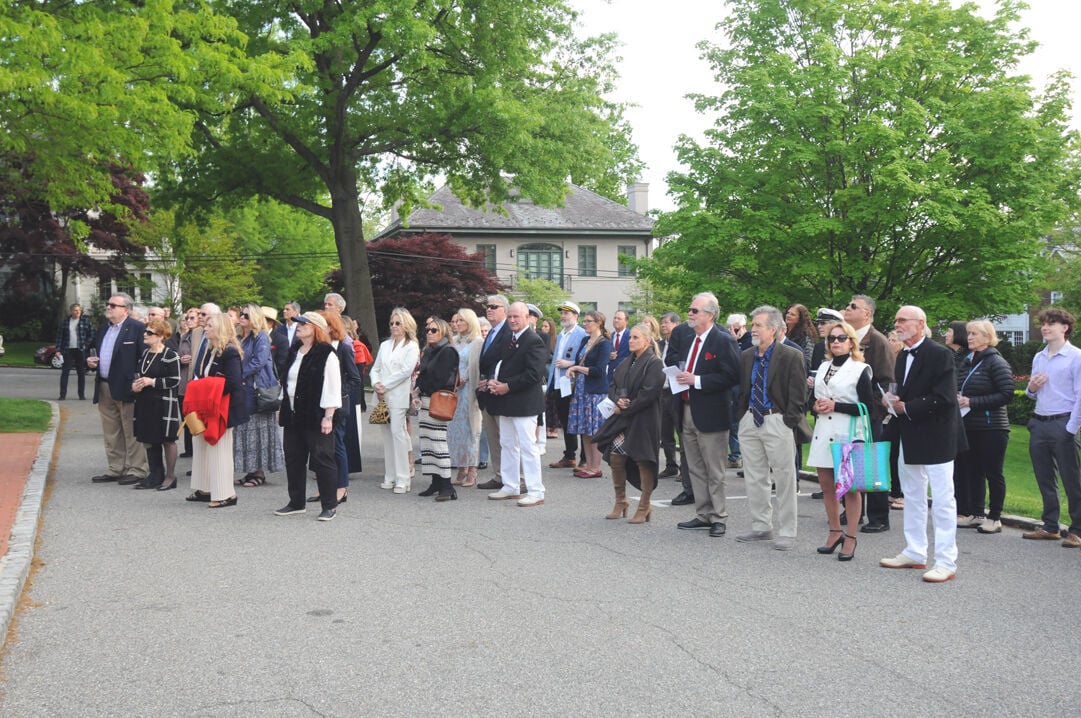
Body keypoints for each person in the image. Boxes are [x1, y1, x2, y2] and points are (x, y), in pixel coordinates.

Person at [879, 306, 963, 582]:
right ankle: (915, 551)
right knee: (912, 494)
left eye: (903, 320)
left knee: (942, 499)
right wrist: (891, 402)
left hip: (937, 434)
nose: (898, 324)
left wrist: (906, 407)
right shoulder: (902, 356)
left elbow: (945, 397)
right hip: (910, 433)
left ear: (920, 324)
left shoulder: (941, 354)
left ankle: (946, 561)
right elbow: (901, 392)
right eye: (897, 320)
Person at [736, 306, 812, 551]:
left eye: (758, 325)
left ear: (774, 329)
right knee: (755, 476)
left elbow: (798, 394)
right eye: (753, 324)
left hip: (777, 420)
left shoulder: (791, 355)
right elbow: (743, 389)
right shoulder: (747, 355)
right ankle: (761, 526)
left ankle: (787, 531)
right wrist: (741, 417)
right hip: (750, 419)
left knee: (785, 477)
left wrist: (788, 421)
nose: (753, 329)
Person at [674, 292, 741, 538]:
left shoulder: (723, 340)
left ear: (710, 315)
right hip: (687, 409)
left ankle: (718, 516)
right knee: (695, 467)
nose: (689, 314)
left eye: (694, 311)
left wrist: (697, 380)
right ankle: (703, 513)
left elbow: (732, 375)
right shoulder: (690, 338)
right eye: (690, 310)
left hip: (711, 413)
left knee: (715, 470)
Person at [807, 320, 874, 560]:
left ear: (851, 342)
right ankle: (834, 531)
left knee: (849, 489)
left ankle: (852, 537)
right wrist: (816, 405)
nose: (836, 342)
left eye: (841, 338)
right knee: (827, 487)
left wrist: (836, 405)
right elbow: (815, 399)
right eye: (832, 338)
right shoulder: (823, 366)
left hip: (848, 432)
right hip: (824, 431)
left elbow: (869, 406)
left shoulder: (859, 369)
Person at [593, 324, 665, 523]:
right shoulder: (626, 362)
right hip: (623, 418)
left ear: (647, 340)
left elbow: (649, 393)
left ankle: (644, 506)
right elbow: (614, 386)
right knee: (616, 457)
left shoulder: (654, 363)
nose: (630, 341)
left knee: (643, 460)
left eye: (635, 337)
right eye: (630, 337)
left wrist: (626, 406)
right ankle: (621, 501)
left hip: (644, 419)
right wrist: (618, 400)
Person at [274, 312, 341, 521]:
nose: (298, 326)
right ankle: (296, 502)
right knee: (293, 459)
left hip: (316, 415)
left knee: (323, 459)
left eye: (303, 323)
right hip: (293, 414)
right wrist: (281, 407)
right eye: (298, 323)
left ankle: (329, 505)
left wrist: (328, 416)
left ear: (315, 328)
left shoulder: (326, 354)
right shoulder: (295, 351)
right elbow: (287, 382)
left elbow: (332, 387)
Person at [1022, 307, 1081, 547]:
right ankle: (1050, 526)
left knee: (1071, 479)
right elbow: (1030, 393)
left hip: (1062, 422)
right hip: (1039, 422)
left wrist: (1070, 429)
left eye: (1051, 323)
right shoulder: (1039, 356)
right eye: (1044, 323)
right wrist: (1032, 387)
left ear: (1065, 328)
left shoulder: (1076, 357)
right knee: (1044, 477)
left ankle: (1077, 529)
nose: (1045, 327)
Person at [483, 302, 548, 506]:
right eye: (510, 316)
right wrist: (494, 380)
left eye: (516, 317)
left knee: (528, 447)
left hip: (525, 403)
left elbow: (534, 374)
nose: (512, 320)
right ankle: (510, 486)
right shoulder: (510, 339)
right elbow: (503, 366)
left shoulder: (533, 340)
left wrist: (507, 386)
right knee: (507, 444)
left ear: (527, 317)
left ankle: (536, 491)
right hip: (507, 401)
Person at [842, 294, 896, 534]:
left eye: (853, 306)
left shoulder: (877, 341)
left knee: (871, 464)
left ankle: (878, 515)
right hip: (848, 412)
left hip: (869, 413)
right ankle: (853, 509)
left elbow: (886, 381)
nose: (847, 309)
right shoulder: (845, 338)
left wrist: (875, 411)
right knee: (850, 462)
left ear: (867, 314)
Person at [954, 320, 1014, 535]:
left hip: (992, 427)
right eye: (969, 333)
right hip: (969, 425)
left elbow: (1006, 393)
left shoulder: (996, 362)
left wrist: (973, 402)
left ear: (988, 338)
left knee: (993, 472)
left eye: (975, 334)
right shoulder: (968, 361)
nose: (970, 337)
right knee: (973, 471)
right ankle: (976, 513)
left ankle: (995, 517)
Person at [185, 312, 247, 509]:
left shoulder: (230, 352)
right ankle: (205, 488)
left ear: (220, 328)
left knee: (220, 450)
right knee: (202, 447)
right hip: (208, 405)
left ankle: (226, 494)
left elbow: (233, 382)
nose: (205, 328)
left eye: (210, 325)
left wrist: (203, 387)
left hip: (223, 407)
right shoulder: (210, 349)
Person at [87, 293, 149, 485]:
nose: (108, 307)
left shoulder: (137, 328)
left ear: (126, 309)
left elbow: (145, 357)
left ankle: (137, 469)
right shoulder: (104, 328)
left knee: (131, 429)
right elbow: (91, 350)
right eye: (108, 304)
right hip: (104, 386)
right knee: (111, 431)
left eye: (113, 305)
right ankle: (115, 468)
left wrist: (138, 380)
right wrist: (88, 361)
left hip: (127, 387)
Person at [233, 304, 285, 489]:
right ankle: (250, 470)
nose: (242, 317)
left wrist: (238, 375)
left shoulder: (261, 336)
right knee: (246, 429)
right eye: (241, 314)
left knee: (259, 430)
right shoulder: (240, 336)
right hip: (244, 388)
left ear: (254, 318)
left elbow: (259, 361)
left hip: (257, 388)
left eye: (246, 315)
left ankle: (259, 472)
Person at [370, 308, 420, 494]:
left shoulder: (411, 346)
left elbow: (406, 371)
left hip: (398, 396)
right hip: (381, 396)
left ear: (406, 325)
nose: (394, 326)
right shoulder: (384, 345)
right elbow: (375, 368)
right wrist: (376, 384)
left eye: (398, 323)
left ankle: (403, 478)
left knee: (398, 435)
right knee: (387, 436)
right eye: (392, 323)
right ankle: (390, 476)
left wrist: (385, 385)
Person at [131, 318, 181, 490]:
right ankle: (155, 474)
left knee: (168, 440)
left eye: (150, 332)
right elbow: (139, 374)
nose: (145, 334)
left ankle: (170, 476)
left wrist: (152, 382)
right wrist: (136, 385)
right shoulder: (145, 353)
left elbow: (175, 380)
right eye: (146, 331)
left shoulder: (170, 355)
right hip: (146, 402)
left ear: (161, 336)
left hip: (164, 403)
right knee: (150, 439)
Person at [414, 317, 461, 501]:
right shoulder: (428, 351)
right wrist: (417, 389)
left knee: (439, 443)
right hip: (425, 400)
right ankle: (435, 481)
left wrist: (422, 386)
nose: (429, 333)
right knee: (427, 443)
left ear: (443, 332)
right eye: (428, 330)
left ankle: (447, 486)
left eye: (434, 330)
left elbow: (441, 379)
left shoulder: (448, 351)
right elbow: (421, 374)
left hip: (437, 400)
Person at [565, 310, 612, 478]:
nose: (585, 324)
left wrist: (576, 368)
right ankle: (588, 465)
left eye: (588, 321)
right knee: (584, 429)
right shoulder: (585, 340)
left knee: (594, 430)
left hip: (595, 391)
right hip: (581, 390)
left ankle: (596, 467)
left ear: (598, 323)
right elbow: (579, 360)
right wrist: (575, 366)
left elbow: (599, 370)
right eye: (584, 321)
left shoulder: (604, 343)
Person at [475, 295, 512, 490]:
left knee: (507, 440)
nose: (489, 309)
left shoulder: (508, 331)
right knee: (493, 438)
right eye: (487, 306)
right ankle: (499, 475)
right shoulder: (491, 332)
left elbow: (506, 362)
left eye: (493, 307)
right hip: (487, 393)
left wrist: (490, 379)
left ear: (504, 310)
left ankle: (514, 478)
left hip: (501, 393)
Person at [547, 302, 588, 470]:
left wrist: (569, 363)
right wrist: (550, 383)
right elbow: (555, 359)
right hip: (559, 382)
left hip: (573, 383)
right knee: (565, 420)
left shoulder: (582, 333)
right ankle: (570, 455)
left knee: (579, 420)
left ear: (576, 316)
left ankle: (585, 458)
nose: (563, 316)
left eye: (567, 313)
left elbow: (585, 358)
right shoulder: (562, 334)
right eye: (562, 313)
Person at [448, 309, 483, 488]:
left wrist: (465, 378)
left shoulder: (476, 341)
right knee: (457, 432)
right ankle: (461, 467)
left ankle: (472, 470)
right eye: (457, 320)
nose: (458, 323)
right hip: (454, 391)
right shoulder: (455, 340)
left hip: (468, 391)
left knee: (470, 432)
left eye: (462, 320)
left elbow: (475, 366)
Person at [657, 312, 681, 477]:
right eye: (662, 323)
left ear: (676, 324)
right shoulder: (660, 344)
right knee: (665, 431)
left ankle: (684, 469)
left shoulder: (681, 343)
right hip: (662, 390)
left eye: (666, 323)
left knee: (680, 429)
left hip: (677, 390)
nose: (663, 326)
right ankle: (671, 464)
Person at [56, 302, 94, 400]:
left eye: (79, 310)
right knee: (65, 372)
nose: (77, 312)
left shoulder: (85, 321)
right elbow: (60, 337)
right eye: (75, 310)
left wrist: (86, 344)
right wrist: (58, 350)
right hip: (68, 349)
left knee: (81, 372)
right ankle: (62, 395)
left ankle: (81, 395)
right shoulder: (65, 322)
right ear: (71, 311)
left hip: (80, 349)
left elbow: (91, 334)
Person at [176, 308, 198, 459]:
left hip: (195, 383)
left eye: (192, 318)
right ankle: (189, 449)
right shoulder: (184, 337)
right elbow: (176, 355)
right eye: (187, 318)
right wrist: (180, 360)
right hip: (183, 383)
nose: (188, 321)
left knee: (196, 418)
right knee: (186, 417)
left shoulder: (202, 336)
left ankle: (196, 451)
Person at [784, 303, 816, 373]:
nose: (788, 315)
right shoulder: (781, 332)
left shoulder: (805, 337)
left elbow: (807, 362)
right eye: (788, 313)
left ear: (800, 318)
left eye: (792, 314)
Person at [607, 309, 631, 378]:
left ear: (626, 321)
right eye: (615, 318)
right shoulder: (609, 337)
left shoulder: (631, 336)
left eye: (619, 319)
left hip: (625, 376)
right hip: (611, 377)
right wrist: (608, 357)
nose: (616, 320)